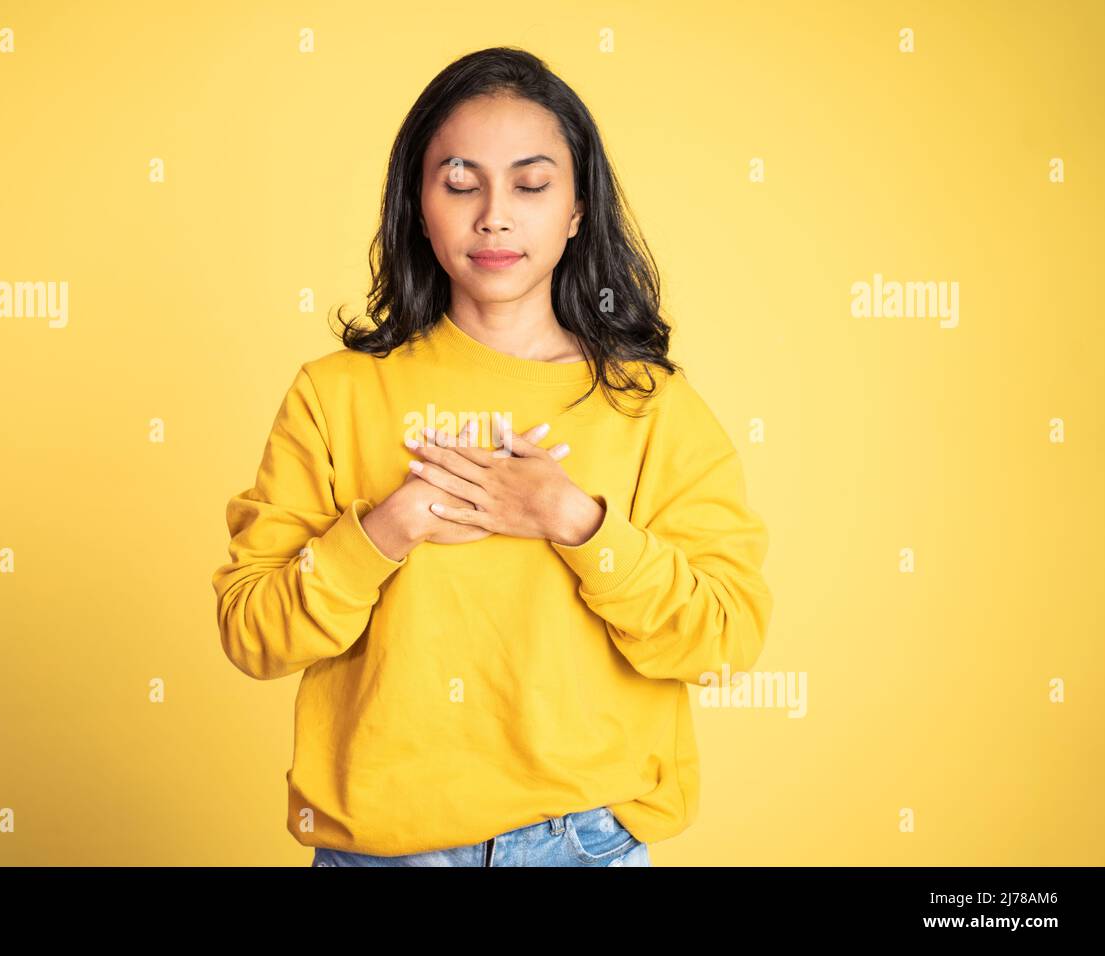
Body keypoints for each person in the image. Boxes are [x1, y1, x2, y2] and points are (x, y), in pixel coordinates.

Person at [211, 47, 773, 867]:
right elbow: (251, 633)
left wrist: (575, 522)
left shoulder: (652, 408)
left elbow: (724, 640)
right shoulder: (334, 396)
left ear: (578, 209)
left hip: (585, 843)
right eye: (461, 183)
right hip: (383, 852)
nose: (495, 216)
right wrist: (382, 531)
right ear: (418, 204)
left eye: (532, 185)